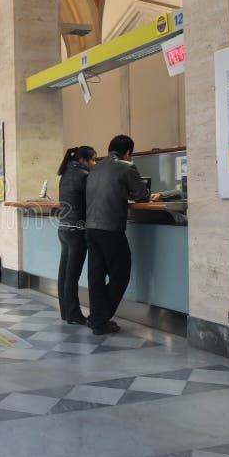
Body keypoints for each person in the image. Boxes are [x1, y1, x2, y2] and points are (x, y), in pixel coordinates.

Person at [85, 135, 150, 335]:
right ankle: (100, 318)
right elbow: (142, 195)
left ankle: (96, 318)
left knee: (96, 275)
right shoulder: (126, 166)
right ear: (128, 152)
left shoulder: (95, 168)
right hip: (110, 229)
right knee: (121, 273)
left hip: (91, 228)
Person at [56, 145, 97, 325]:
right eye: (93, 159)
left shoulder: (65, 174)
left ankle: (66, 311)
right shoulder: (84, 175)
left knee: (64, 273)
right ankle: (74, 313)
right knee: (72, 275)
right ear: (83, 160)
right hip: (77, 229)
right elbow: (93, 199)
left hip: (64, 228)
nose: (94, 164)